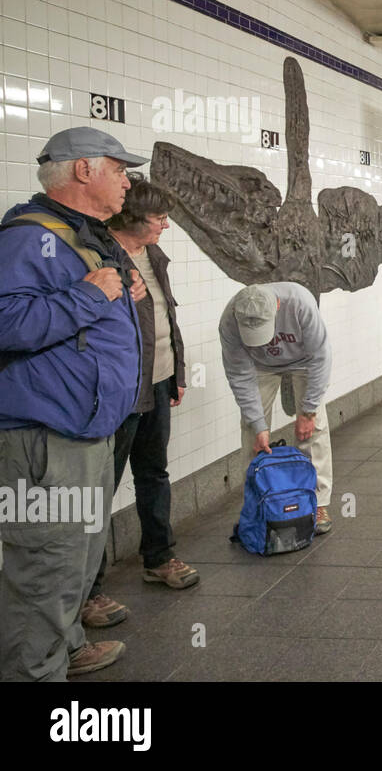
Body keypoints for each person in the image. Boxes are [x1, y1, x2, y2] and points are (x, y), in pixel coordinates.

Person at [0, 126, 148, 680]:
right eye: (119, 169)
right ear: (83, 171)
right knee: (46, 570)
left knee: (77, 563)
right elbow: (6, 321)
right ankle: (34, 671)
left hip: (84, 431)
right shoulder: (27, 237)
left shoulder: (80, 235)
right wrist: (91, 295)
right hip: (44, 438)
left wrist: (115, 293)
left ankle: (65, 648)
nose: (128, 182)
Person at [82, 174, 198, 632]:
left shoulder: (153, 255)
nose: (166, 225)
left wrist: (177, 373)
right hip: (118, 393)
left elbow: (168, 315)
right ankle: (88, 590)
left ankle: (159, 558)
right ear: (131, 218)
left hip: (157, 382)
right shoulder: (98, 255)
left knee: (154, 473)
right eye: (159, 217)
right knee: (99, 489)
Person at [219, 283, 334, 533]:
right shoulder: (230, 319)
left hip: (304, 361)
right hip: (260, 366)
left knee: (313, 431)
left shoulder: (300, 302)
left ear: (277, 306)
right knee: (252, 433)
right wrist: (259, 425)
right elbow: (239, 374)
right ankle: (257, 504)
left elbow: (321, 357)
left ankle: (318, 502)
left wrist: (308, 411)